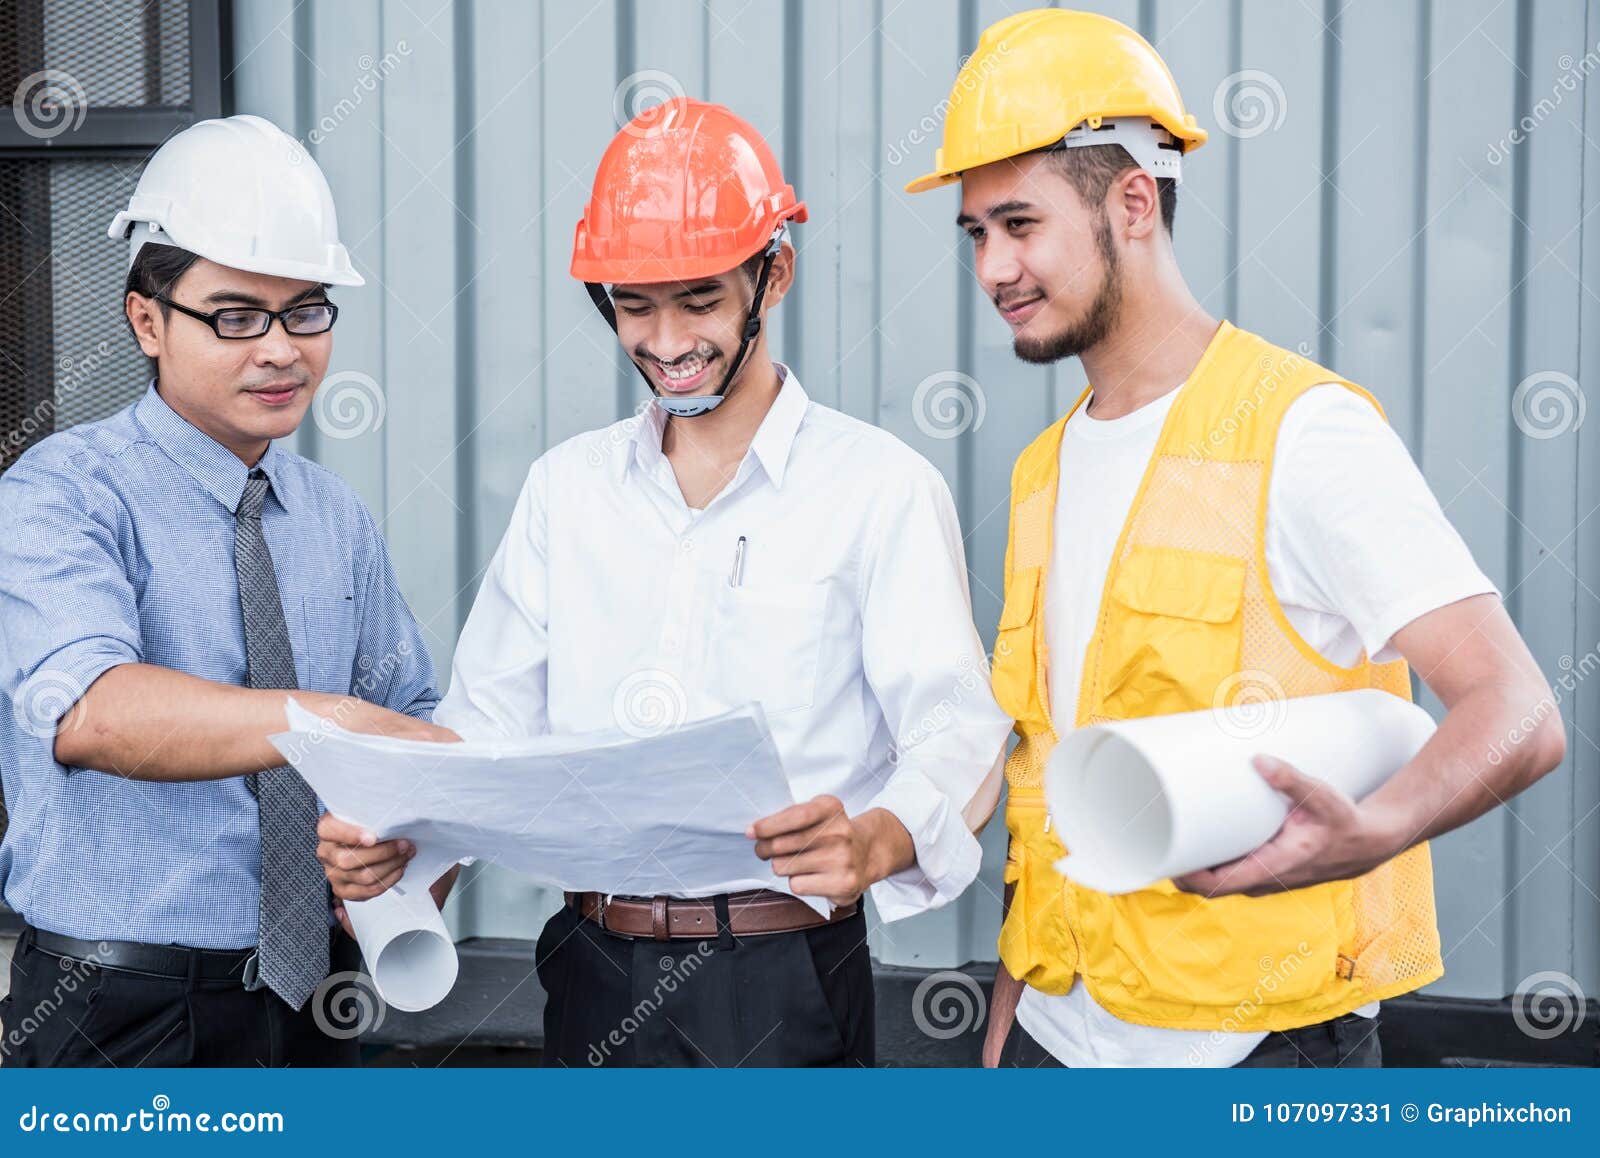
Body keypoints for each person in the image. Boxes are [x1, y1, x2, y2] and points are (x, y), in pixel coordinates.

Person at [906, 9, 1566, 1068]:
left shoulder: (1301, 431)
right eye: (975, 233)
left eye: (1019, 224)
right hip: (1050, 1037)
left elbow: (1520, 710)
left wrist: (1381, 828)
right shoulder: (1045, 469)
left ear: (1130, 203)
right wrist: (1004, 1037)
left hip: (1252, 1055)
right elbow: (1054, 776)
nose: (992, 267)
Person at [317, 98, 1012, 1067]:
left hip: (785, 979)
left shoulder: (877, 488)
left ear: (774, 273)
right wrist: (398, 863)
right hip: (591, 970)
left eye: (698, 300)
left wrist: (881, 838)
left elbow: (956, 728)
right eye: (634, 306)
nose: (666, 340)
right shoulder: (568, 490)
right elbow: (485, 732)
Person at [0, 114, 455, 1068]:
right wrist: (331, 721)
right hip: (120, 1015)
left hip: (320, 1002)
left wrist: (402, 850)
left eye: (307, 311)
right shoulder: (60, 493)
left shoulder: (334, 517)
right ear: (147, 321)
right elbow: (90, 712)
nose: (281, 349)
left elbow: (411, 726)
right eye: (238, 315)